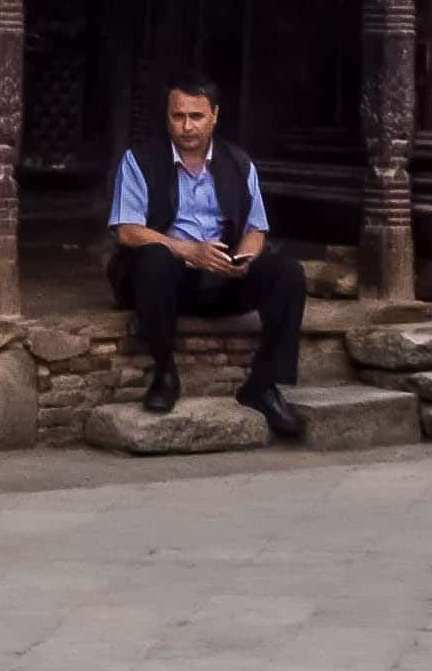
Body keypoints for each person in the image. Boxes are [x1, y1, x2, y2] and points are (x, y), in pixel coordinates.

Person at [103, 81, 310, 441]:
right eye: (178, 116)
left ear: (214, 117)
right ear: (167, 118)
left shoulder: (239, 162)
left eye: (196, 116)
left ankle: (263, 384)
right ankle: (165, 374)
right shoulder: (140, 160)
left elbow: (256, 229)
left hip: (220, 276)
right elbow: (127, 230)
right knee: (154, 258)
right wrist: (187, 250)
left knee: (288, 273)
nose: (187, 126)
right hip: (165, 281)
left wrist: (243, 259)